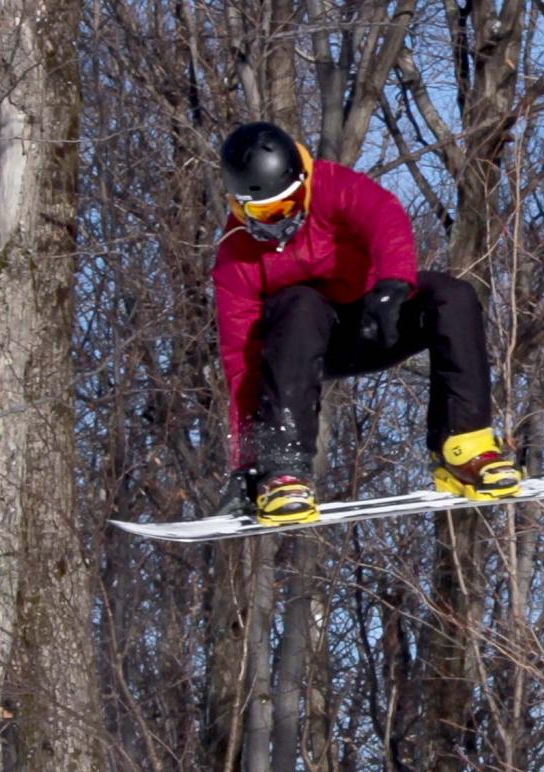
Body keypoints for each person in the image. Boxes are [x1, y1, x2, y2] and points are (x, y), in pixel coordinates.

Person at [212, 121, 523, 525]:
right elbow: (242, 361)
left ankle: (464, 447)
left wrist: (393, 286)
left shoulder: (331, 184)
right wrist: (248, 461)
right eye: (265, 212)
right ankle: (284, 472)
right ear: (239, 206)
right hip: (303, 349)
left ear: (303, 182)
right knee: (299, 303)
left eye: (289, 204)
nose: (280, 220)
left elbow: (385, 216)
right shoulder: (236, 256)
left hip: (379, 320)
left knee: (453, 296)